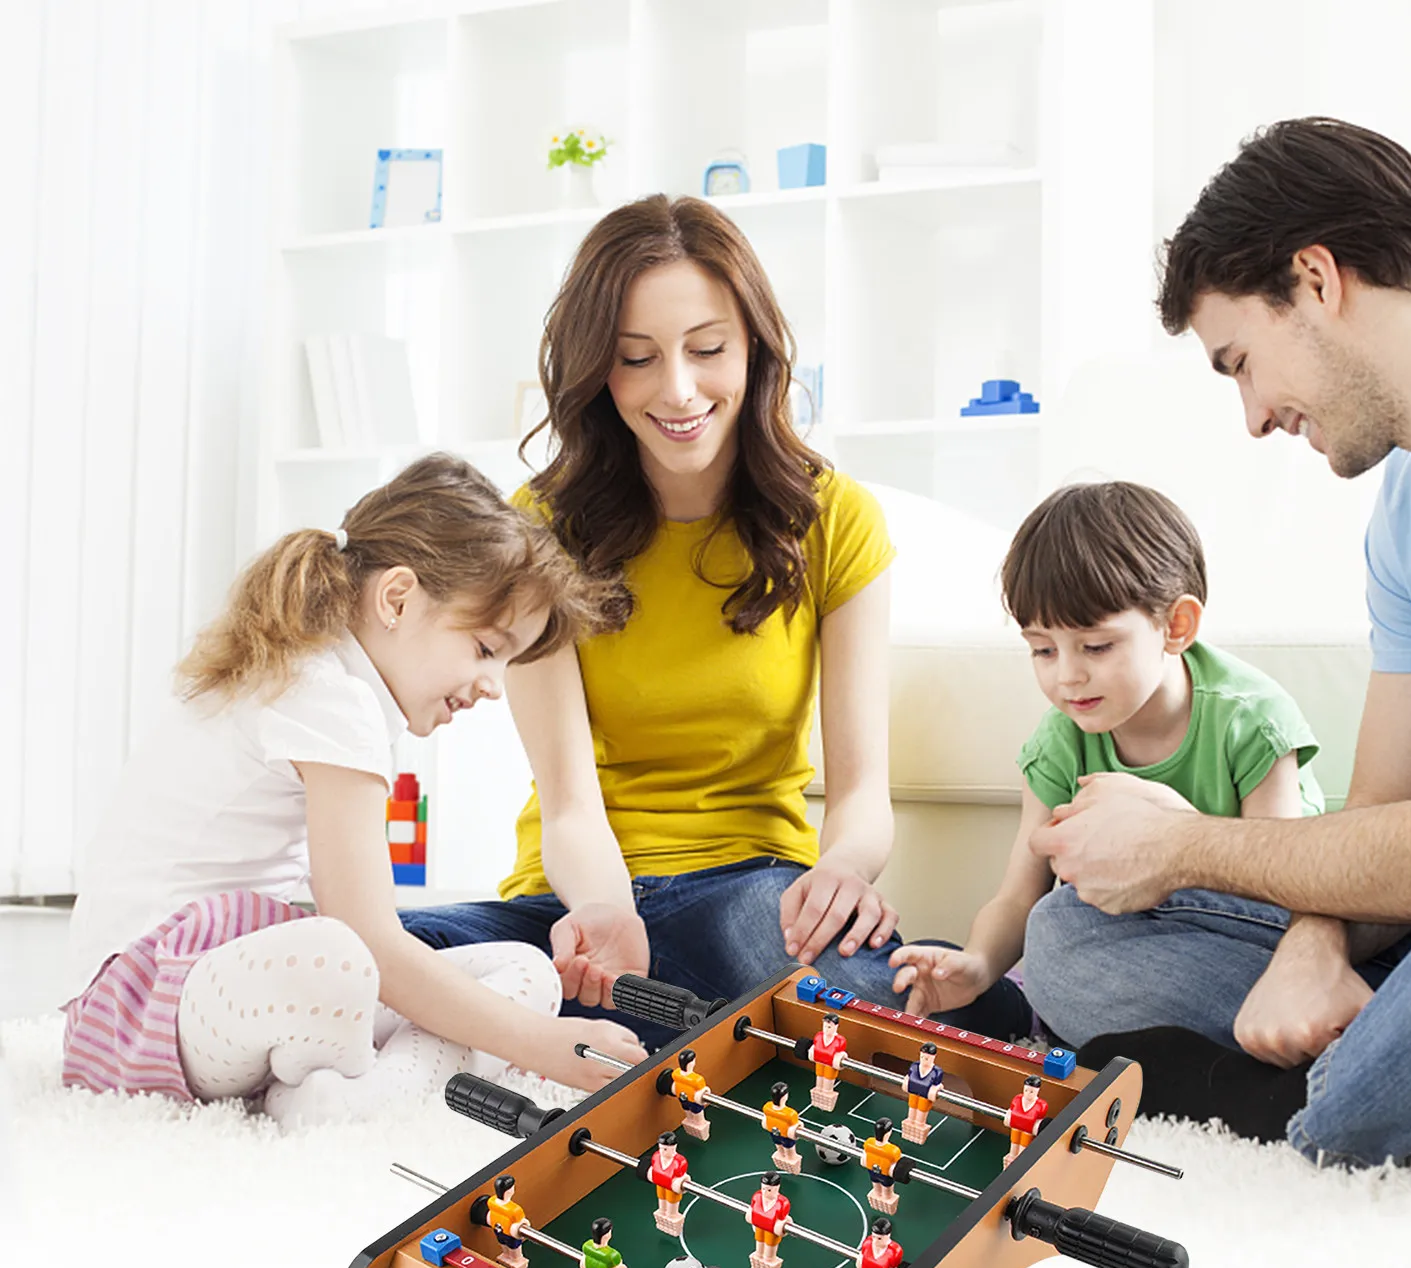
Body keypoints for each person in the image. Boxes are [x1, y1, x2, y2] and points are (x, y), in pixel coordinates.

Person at [1032, 118, 1411, 1167]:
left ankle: (1316, 1105)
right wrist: (1311, 941)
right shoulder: (1406, 504)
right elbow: (1386, 809)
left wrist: (1181, 845)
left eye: (1240, 362)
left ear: (1314, 279)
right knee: (1070, 937)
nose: (1252, 416)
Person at [399, 195, 1028, 1043]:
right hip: (579, 902)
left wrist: (842, 870)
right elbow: (570, 803)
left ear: (754, 348)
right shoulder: (539, 530)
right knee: (384, 954)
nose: (678, 389)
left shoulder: (834, 518)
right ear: (597, 370)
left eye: (707, 349)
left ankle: (681, 1020)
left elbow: (859, 793)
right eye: (636, 358)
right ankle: (663, 1017)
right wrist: (606, 916)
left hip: (750, 893)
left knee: (795, 956)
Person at [62, 454, 646, 1125]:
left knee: (526, 969)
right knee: (344, 959)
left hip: (223, 987)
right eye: (488, 649)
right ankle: (347, 1092)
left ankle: (337, 1098)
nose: (493, 685)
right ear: (396, 599)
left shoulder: (332, 681)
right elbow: (371, 940)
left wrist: (532, 1033)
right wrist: (543, 1046)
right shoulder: (328, 696)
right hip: (139, 1004)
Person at [889, 481, 1321, 1025]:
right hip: (1137, 948)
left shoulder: (1251, 720)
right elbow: (1019, 897)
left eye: (1096, 646)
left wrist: (1176, 832)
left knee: (1062, 936)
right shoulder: (1059, 742)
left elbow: (1280, 889)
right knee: (1055, 929)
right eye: (1043, 650)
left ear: (1176, 626)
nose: (1068, 675)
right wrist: (977, 966)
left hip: (1253, 940)